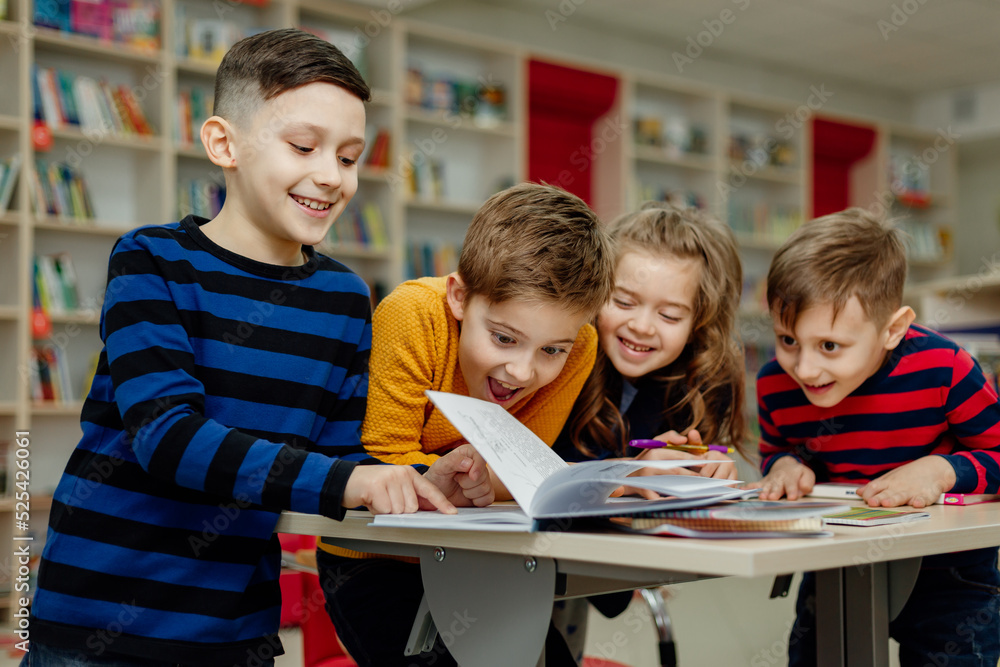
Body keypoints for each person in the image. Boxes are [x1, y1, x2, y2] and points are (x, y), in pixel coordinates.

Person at [23, 28, 489, 667]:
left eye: (349, 158)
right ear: (223, 143)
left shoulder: (346, 297)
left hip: (236, 630)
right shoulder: (151, 260)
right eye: (304, 146)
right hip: (100, 626)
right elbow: (166, 437)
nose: (331, 177)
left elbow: (340, 458)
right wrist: (355, 479)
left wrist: (416, 483)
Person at [316, 181, 616, 667]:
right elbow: (384, 460)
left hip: (478, 559)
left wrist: (467, 481)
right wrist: (462, 479)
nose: (523, 371)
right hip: (374, 559)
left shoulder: (580, 345)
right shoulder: (412, 314)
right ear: (459, 296)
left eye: (550, 350)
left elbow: (524, 473)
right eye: (503, 338)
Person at [750, 207, 1000, 666]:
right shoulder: (774, 384)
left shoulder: (946, 368)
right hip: (835, 565)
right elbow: (776, 449)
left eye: (829, 346)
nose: (804, 369)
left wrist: (942, 470)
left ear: (893, 330)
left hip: (950, 575)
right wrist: (784, 466)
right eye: (787, 340)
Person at [548, 201, 749, 660]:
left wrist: (699, 472)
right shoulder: (563, 347)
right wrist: (628, 474)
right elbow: (536, 469)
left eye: (670, 315)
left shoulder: (706, 373)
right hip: (519, 553)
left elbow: (689, 481)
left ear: (699, 321)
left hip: (596, 569)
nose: (641, 326)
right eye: (623, 301)